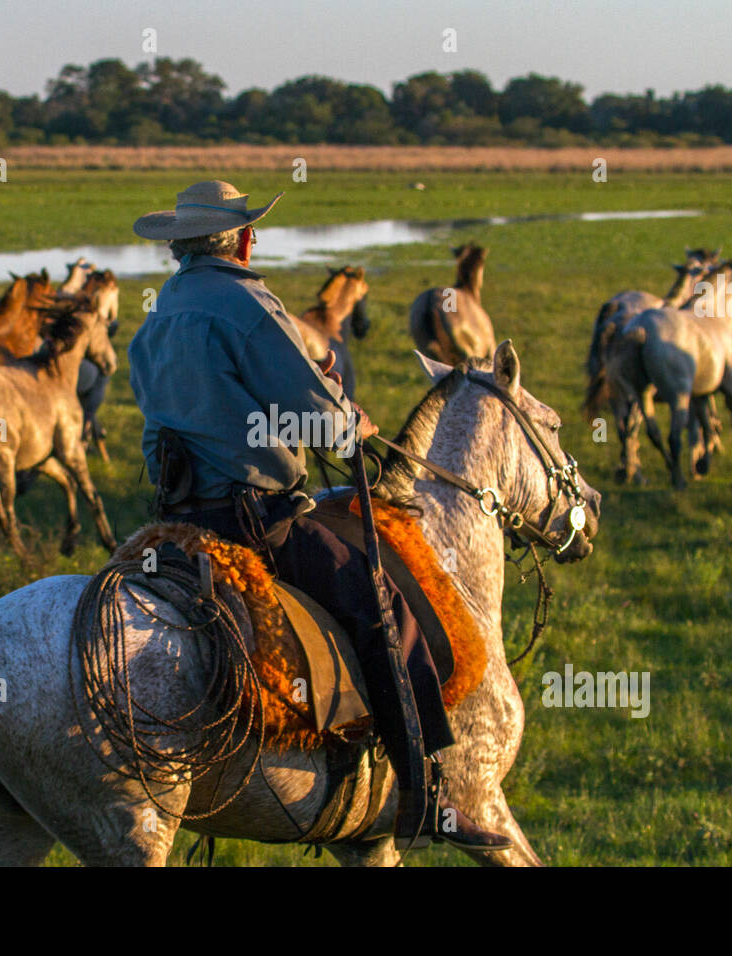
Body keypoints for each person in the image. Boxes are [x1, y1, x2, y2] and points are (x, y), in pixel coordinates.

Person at [128, 180, 510, 851]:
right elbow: (319, 418)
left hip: (179, 523)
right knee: (382, 603)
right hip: (257, 521)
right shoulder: (247, 305)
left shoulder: (156, 318)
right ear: (243, 239)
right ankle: (430, 790)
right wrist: (350, 424)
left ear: (179, 246)